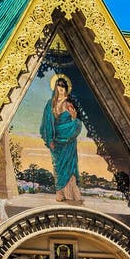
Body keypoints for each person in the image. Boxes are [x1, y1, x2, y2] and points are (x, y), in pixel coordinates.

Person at [40, 75, 83, 203]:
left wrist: (74, 119)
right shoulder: (50, 104)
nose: (61, 88)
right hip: (56, 141)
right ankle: (60, 194)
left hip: (68, 141)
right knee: (58, 167)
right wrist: (50, 140)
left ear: (66, 88)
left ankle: (71, 195)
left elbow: (77, 122)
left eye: (63, 86)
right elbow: (46, 124)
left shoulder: (69, 103)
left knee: (68, 168)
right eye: (59, 85)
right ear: (55, 87)